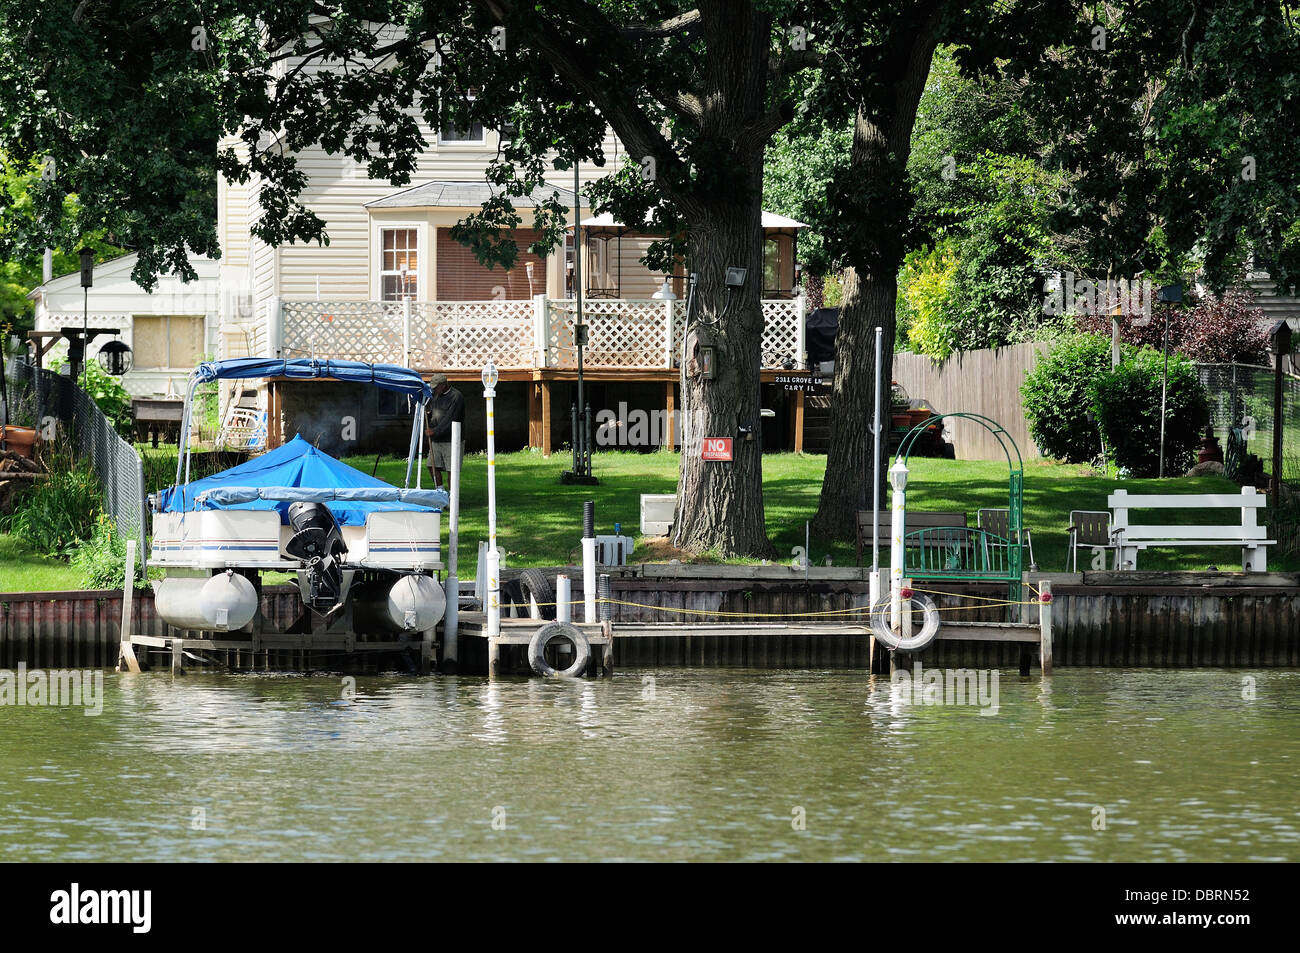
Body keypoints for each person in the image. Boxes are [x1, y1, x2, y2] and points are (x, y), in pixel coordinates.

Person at [424, 373, 465, 489]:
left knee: (451, 469)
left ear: (443, 385)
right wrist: (430, 413)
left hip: (452, 440)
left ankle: (453, 498)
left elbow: (451, 419)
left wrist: (434, 431)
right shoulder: (436, 395)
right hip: (436, 440)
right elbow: (436, 412)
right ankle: (441, 493)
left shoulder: (456, 396)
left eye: (436, 387)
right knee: (431, 466)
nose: (434, 389)